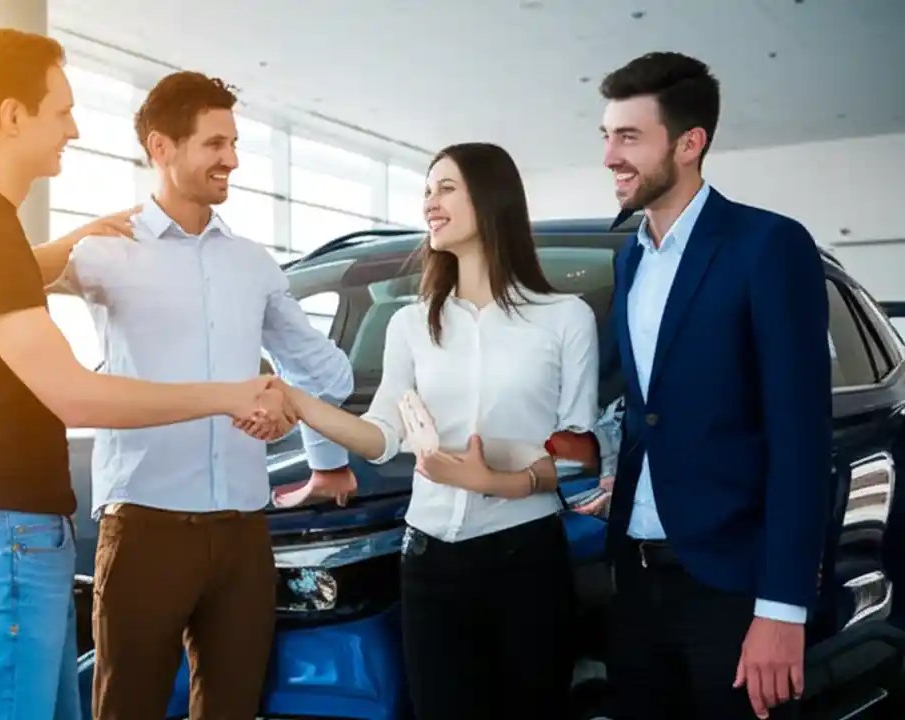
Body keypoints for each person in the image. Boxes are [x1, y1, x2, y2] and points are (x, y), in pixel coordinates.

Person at [0, 31, 291, 720]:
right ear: (13, 116)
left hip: (16, 529)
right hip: (5, 534)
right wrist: (228, 396)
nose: (74, 129)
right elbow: (76, 396)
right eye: (61, 112)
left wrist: (77, 240)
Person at [246, 142, 600, 719]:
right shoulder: (411, 323)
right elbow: (383, 435)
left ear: (492, 198)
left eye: (446, 188)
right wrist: (297, 401)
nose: (430, 203)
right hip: (429, 560)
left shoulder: (565, 318)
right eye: (426, 191)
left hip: (525, 559)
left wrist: (498, 481)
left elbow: (579, 449)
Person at [43, 70, 357, 720]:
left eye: (234, 143)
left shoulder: (252, 263)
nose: (232, 159)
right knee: (126, 709)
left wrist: (313, 437)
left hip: (243, 533)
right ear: (161, 148)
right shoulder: (106, 252)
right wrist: (77, 237)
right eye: (215, 143)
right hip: (145, 527)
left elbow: (324, 372)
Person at [596, 52, 831, 720]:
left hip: (732, 584)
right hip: (635, 578)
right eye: (606, 136)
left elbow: (800, 438)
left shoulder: (768, 245)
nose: (610, 156)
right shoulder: (631, 257)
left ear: (689, 142)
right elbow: (652, 409)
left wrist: (781, 608)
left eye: (629, 137)